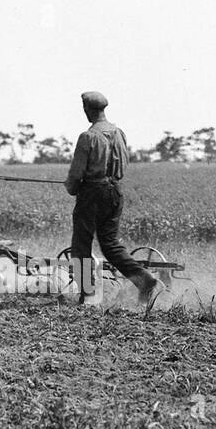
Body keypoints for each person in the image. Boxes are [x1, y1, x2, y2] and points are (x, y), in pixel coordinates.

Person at [65, 91, 160, 306]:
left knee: (81, 245)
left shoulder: (87, 137)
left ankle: (88, 294)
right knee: (110, 244)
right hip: (115, 192)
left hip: (92, 194)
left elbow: (75, 175)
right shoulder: (119, 134)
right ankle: (143, 278)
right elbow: (123, 165)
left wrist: (72, 187)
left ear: (87, 110)